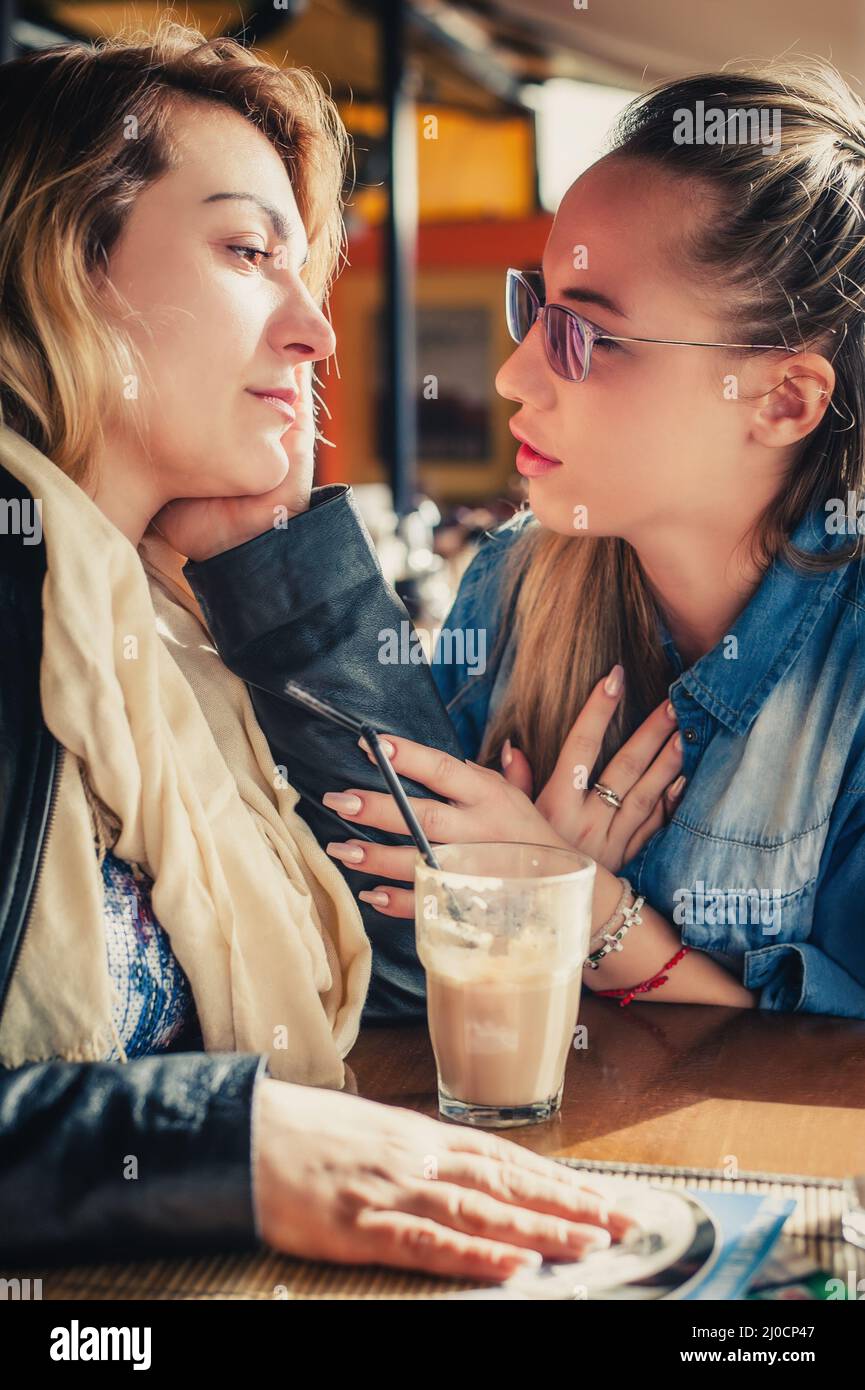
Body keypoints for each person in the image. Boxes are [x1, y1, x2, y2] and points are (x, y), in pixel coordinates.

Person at [0, 21, 638, 1277]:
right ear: (62, 267)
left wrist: (277, 572)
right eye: (247, 250)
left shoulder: (167, 625)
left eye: (307, 269)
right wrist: (227, 1145)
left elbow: (407, 979)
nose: (317, 333)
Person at [324, 58, 865, 1021]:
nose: (513, 377)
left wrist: (586, 916)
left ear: (783, 400)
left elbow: (833, 1101)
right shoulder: (510, 586)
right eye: (530, 308)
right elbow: (392, 995)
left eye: (583, 335)